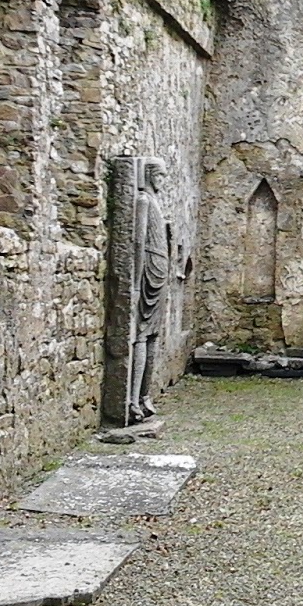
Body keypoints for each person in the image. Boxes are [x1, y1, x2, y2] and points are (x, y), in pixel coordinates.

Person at [126, 158, 171, 423]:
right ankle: (131, 400)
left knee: (152, 333)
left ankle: (144, 396)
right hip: (149, 268)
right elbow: (138, 239)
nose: (163, 181)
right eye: (161, 176)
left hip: (160, 267)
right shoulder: (143, 200)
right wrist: (133, 280)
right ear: (151, 175)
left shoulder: (155, 202)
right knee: (141, 333)